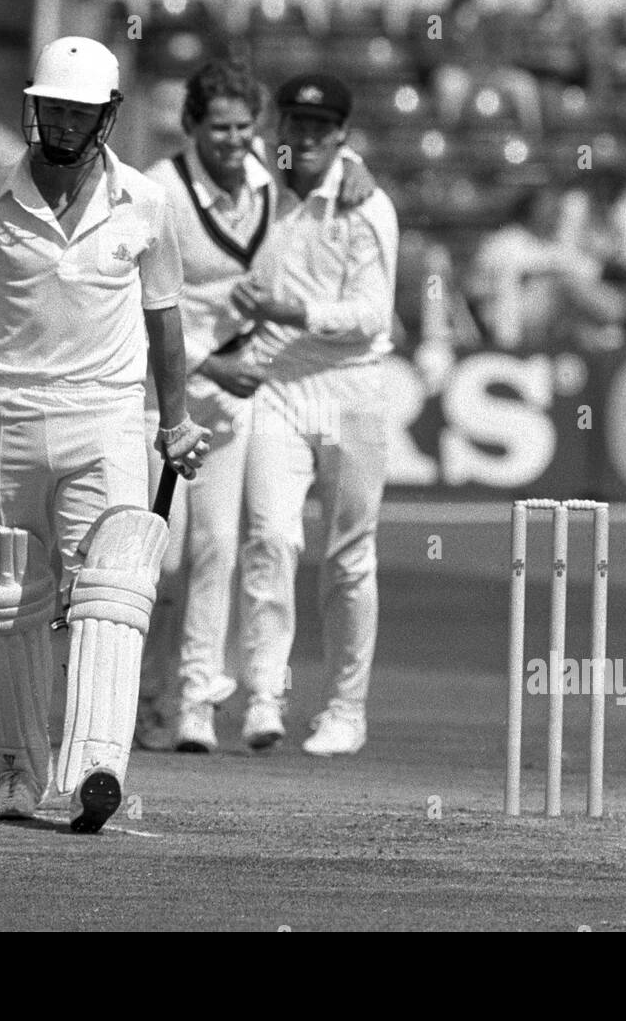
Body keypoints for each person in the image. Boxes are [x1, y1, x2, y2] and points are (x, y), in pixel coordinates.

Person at [0, 36, 210, 830]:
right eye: (52, 109)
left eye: (79, 113)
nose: (62, 125)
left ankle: (94, 775)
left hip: (108, 417)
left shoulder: (145, 202)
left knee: (111, 592)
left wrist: (174, 421)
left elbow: (165, 321)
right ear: (32, 105)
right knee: (0, 594)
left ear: (108, 117)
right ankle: (17, 776)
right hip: (10, 415)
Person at [135, 59, 377, 754]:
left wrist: (354, 163)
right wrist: (212, 363)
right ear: (190, 127)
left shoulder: (268, 187)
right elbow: (136, 305)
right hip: (157, 393)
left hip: (229, 398)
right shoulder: (159, 192)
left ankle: (191, 704)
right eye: (219, 128)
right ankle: (140, 694)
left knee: (219, 550)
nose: (233, 141)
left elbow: (319, 174)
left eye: (245, 128)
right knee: (161, 560)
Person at [230, 73, 399, 756]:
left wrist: (289, 311)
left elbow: (369, 318)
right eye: (293, 128)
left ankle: (346, 711)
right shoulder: (258, 188)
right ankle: (265, 692)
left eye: (317, 130)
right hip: (278, 385)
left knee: (350, 557)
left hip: (353, 387)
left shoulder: (368, 206)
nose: (302, 140)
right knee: (271, 536)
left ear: (340, 138)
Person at [465, 186, 626, 351]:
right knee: (562, 285)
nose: (556, 213)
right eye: (549, 207)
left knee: (582, 311)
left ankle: (619, 336)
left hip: (545, 318)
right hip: (501, 317)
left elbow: (589, 272)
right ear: (531, 210)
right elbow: (476, 288)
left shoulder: (553, 245)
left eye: (556, 208)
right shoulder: (503, 241)